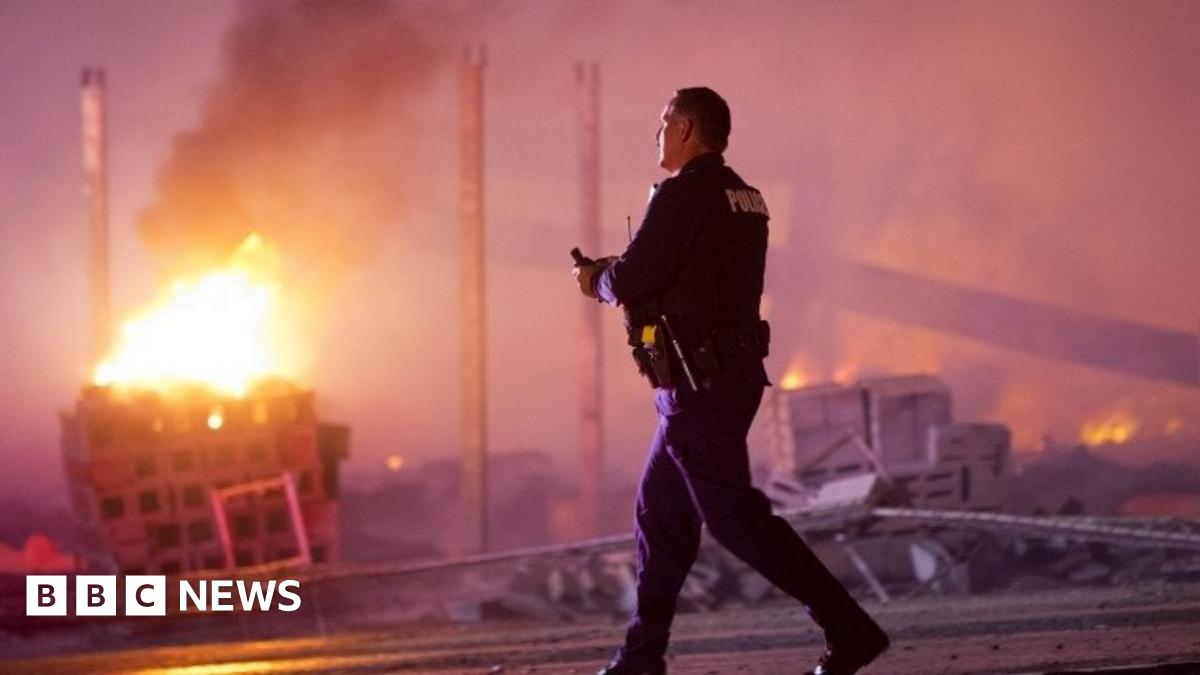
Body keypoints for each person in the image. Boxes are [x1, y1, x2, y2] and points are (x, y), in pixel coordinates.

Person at [572, 87, 889, 675]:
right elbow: (691, 273)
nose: (657, 133)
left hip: (700, 384)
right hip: (716, 380)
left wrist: (596, 278)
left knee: (733, 518)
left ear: (688, 128)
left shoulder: (686, 195)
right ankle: (641, 657)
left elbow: (637, 276)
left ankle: (850, 630)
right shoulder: (745, 197)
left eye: (664, 121)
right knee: (661, 515)